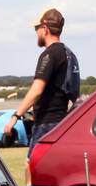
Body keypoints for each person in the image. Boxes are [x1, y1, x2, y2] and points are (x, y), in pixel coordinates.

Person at [4, 8, 80, 152]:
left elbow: (37, 90)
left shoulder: (49, 55)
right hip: (61, 123)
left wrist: (16, 116)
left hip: (46, 124)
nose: (37, 32)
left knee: (32, 166)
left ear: (45, 29)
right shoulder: (69, 54)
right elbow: (74, 94)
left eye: (37, 29)